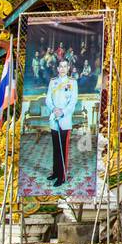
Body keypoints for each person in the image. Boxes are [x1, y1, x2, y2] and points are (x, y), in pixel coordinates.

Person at [44, 59, 79, 187]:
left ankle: (62, 176)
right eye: (61, 66)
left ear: (68, 68)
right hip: (54, 119)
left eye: (65, 66)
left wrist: (62, 112)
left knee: (63, 149)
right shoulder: (53, 82)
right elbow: (48, 99)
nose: (63, 69)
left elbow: (73, 101)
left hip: (64, 120)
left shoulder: (72, 82)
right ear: (58, 69)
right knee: (55, 148)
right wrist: (54, 109)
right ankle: (55, 172)